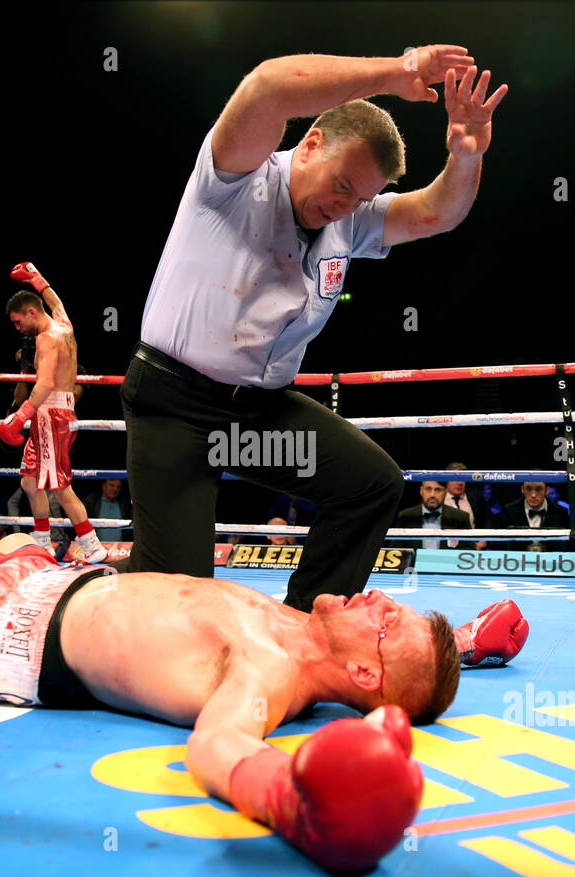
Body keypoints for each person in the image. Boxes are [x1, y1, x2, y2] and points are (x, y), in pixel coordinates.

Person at [0, 430, 529, 874]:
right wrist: (471, 649)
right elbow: (399, 666)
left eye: (388, 621)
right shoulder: (292, 623)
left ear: (360, 675)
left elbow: (221, 745)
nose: (379, 596)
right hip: (31, 575)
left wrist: (287, 794)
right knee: (5, 528)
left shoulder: (268, 674)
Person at [117, 47, 508, 612]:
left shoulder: (350, 223)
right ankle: (54, 585)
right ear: (311, 144)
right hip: (175, 408)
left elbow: (436, 212)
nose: (345, 206)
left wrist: (467, 154)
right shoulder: (234, 175)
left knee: (371, 486)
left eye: (363, 198)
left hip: (254, 422)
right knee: (177, 597)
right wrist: (398, 73)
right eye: (343, 185)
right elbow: (269, 84)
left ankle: (308, 632)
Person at [0, 264, 107, 563]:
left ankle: (92, 545)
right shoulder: (63, 323)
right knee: (29, 483)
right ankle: (43, 543)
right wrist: (37, 278)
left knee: (59, 487)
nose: (17, 328)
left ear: (31, 313)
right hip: (53, 412)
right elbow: (55, 302)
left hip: (50, 413)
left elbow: (45, 383)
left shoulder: (46, 340)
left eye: (18, 321)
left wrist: (19, 417)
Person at [487, 481, 570, 551]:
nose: (533, 495)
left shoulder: (561, 512)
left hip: (552, 565)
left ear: (547, 490)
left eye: (538, 489)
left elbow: (566, 546)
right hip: (517, 564)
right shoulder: (509, 511)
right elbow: (500, 544)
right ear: (522, 489)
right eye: (528, 489)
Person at [396, 480, 471, 550]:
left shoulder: (460, 518)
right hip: (414, 564)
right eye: (428, 489)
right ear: (421, 491)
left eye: (438, 490)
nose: (432, 495)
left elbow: (469, 551)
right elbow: (396, 549)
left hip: (448, 563)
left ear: (446, 491)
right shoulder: (406, 516)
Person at [82, 478, 132, 542]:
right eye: (112, 485)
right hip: (96, 549)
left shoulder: (125, 504)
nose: (115, 489)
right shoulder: (91, 502)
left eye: (118, 487)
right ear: (104, 486)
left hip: (120, 549)